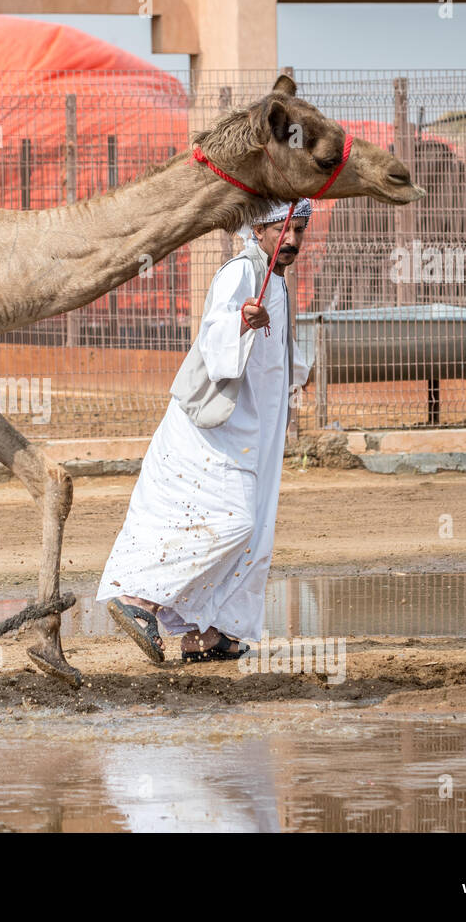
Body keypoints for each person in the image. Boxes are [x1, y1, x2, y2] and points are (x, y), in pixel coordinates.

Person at [97, 198, 314, 662]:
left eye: (299, 230)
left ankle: (212, 633)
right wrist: (241, 320)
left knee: (254, 536)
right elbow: (214, 336)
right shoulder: (241, 272)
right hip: (209, 432)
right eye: (284, 230)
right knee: (232, 523)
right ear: (258, 229)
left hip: (253, 435)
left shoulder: (278, 281)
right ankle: (139, 601)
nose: (292, 240)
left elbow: (276, 361)